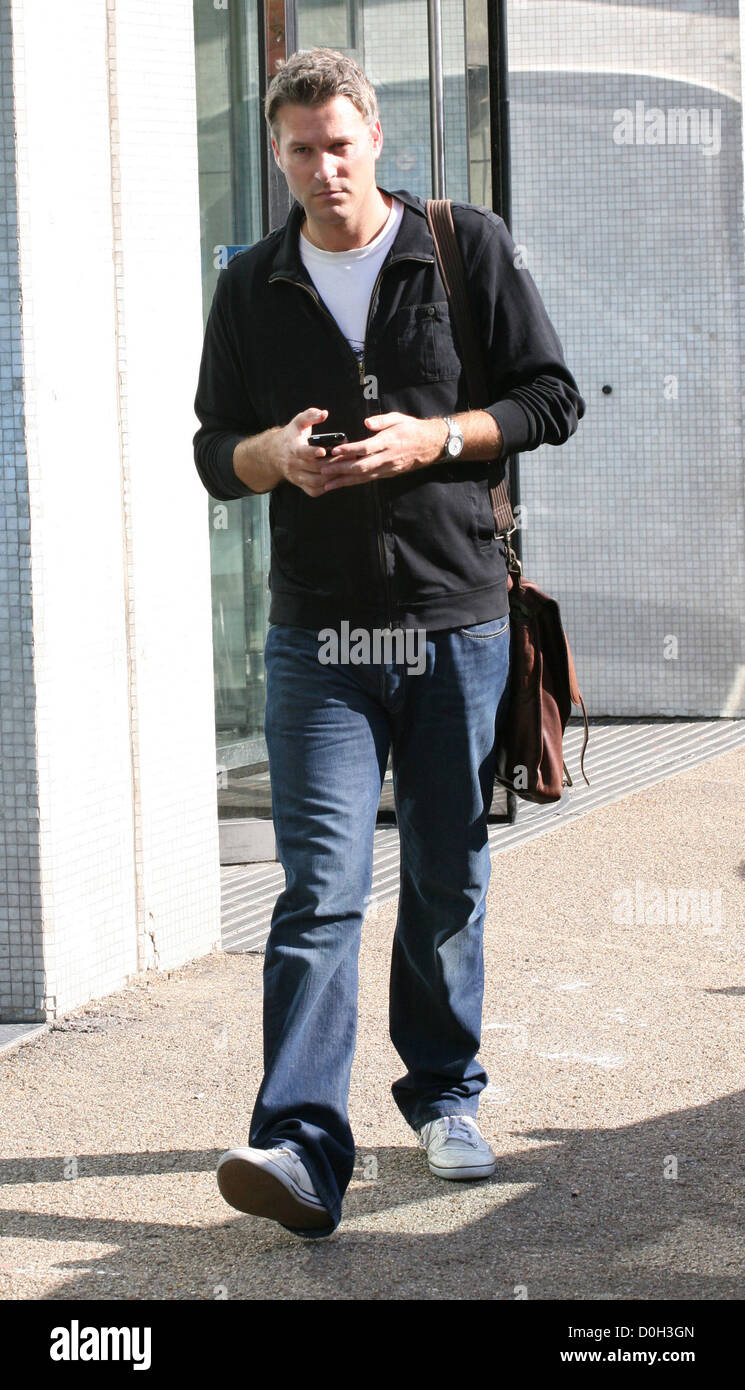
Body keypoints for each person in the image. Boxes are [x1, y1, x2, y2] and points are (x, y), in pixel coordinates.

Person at [193, 46, 584, 1240]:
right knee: (319, 886)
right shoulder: (253, 282)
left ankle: (446, 1092)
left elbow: (549, 399)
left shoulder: (460, 247)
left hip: (453, 623)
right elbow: (216, 450)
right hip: (318, 641)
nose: (322, 168)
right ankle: (303, 1144)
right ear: (277, 154)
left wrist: (437, 439)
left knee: (446, 874)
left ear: (375, 140)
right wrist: (278, 459)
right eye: (299, 149)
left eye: (339, 144)